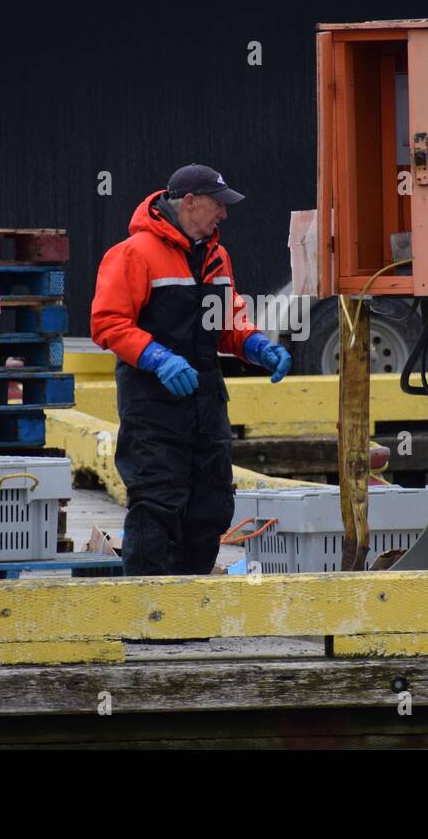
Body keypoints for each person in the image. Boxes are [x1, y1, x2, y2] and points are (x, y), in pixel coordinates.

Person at [90, 163, 292, 576]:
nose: (224, 214)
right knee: (157, 504)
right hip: (153, 410)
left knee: (212, 504)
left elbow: (227, 320)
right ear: (189, 202)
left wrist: (256, 345)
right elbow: (107, 323)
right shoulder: (133, 254)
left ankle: (190, 610)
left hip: (206, 405)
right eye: (217, 205)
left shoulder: (217, 256)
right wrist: (157, 358)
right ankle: (150, 616)